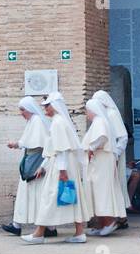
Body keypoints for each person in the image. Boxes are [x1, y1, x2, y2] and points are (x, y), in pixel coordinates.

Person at [22, 91, 90, 243]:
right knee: (71, 196)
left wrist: (62, 171)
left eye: (47, 106)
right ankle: (79, 232)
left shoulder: (59, 122)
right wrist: (44, 165)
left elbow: (62, 149)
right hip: (62, 164)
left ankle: (39, 233)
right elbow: (55, 148)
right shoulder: (59, 121)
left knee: (49, 197)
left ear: (55, 106)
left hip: (61, 166)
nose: (45, 108)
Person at [2, 96, 50, 236]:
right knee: (29, 197)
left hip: (36, 165)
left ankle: (48, 228)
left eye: (22, 109)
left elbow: (37, 144)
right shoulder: (33, 122)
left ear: (29, 109)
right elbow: (28, 142)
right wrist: (17, 144)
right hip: (31, 163)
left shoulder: (37, 122)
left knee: (39, 197)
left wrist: (17, 144)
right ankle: (18, 224)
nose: (21, 112)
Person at [82, 95, 125, 235]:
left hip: (102, 161)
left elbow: (101, 138)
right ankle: (100, 225)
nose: (86, 113)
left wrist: (91, 148)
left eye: (87, 110)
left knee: (103, 192)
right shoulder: (98, 121)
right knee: (96, 192)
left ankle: (109, 222)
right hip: (98, 162)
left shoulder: (100, 121)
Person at [92, 88, 132, 224]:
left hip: (114, 155)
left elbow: (123, 137)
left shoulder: (112, 114)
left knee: (116, 184)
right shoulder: (103, 115)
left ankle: (120, 218)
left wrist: (116, 154)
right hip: (108, 156)